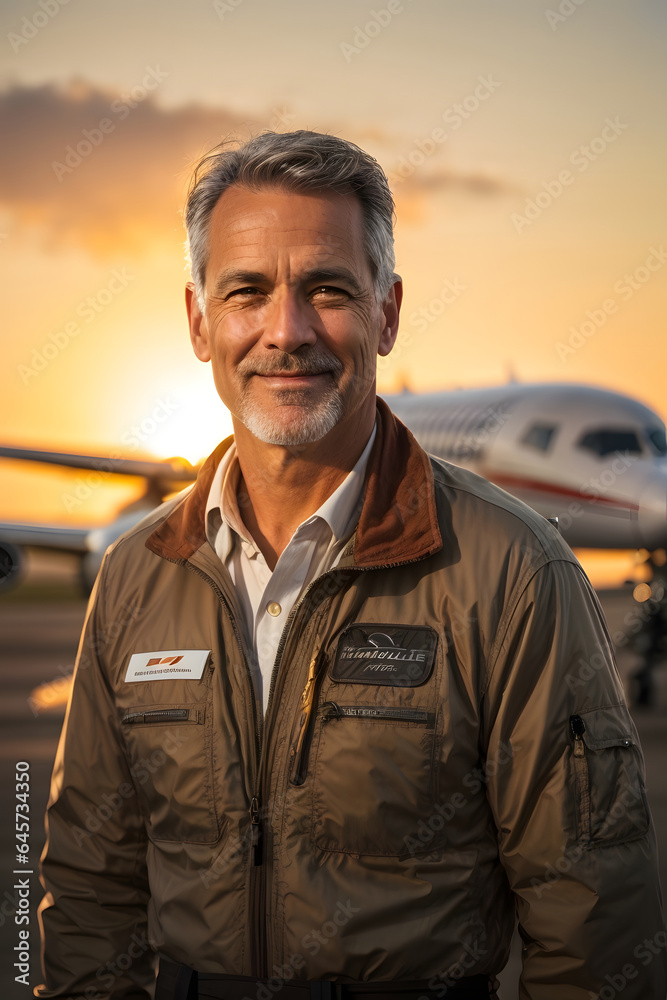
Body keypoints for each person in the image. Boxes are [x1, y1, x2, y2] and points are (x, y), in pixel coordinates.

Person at [36, 130, 666, 1000]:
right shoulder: (138, 572)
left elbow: (592, 931)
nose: (286, 332)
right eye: (247, 292)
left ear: (387, 313)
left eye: (328, 290)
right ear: (198, 322)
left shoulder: (516, 574)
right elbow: (88, 886)